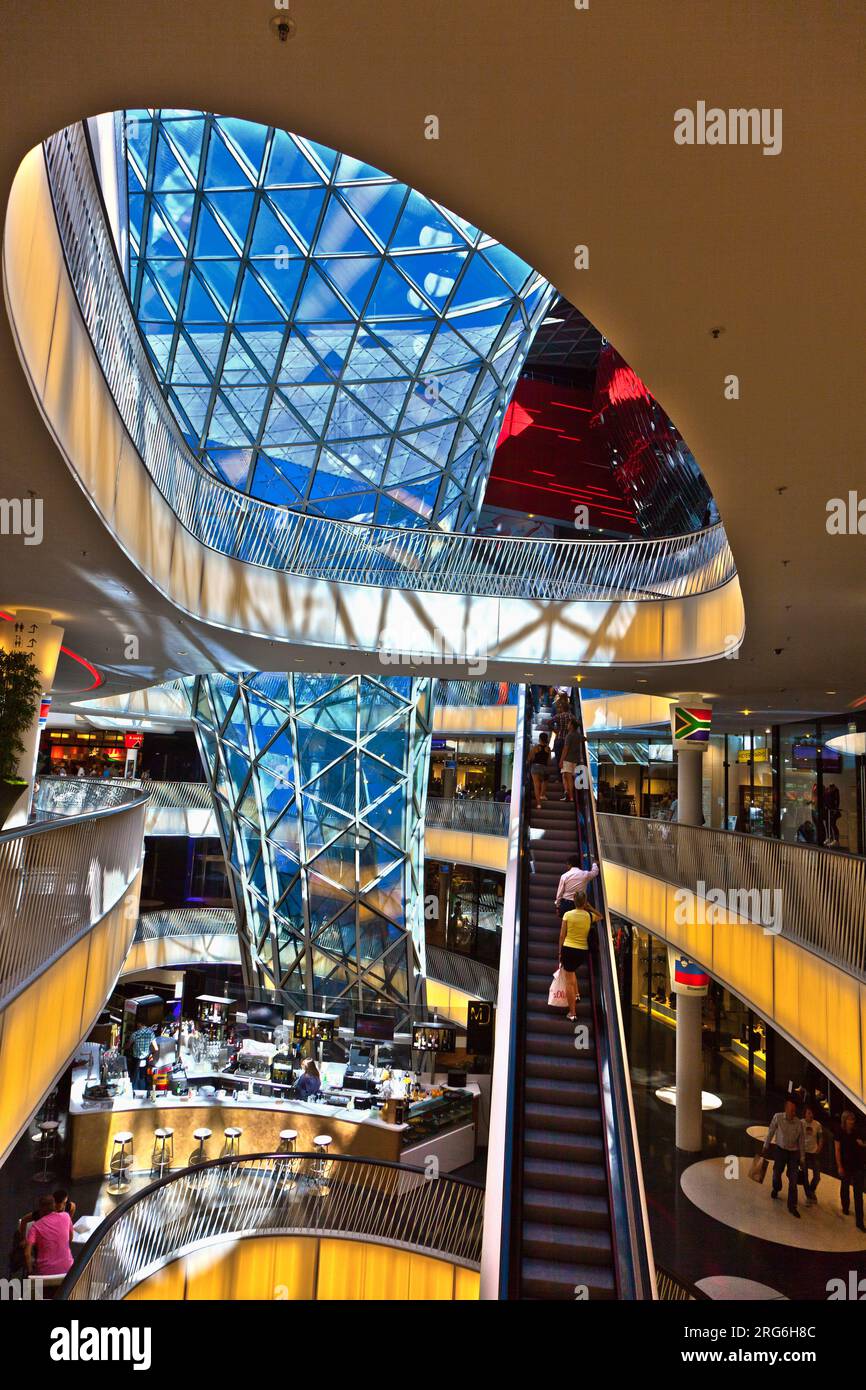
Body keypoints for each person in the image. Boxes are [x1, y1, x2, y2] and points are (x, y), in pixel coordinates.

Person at [558, 890, 600, 1023]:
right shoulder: (589, 915)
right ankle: (576, 994)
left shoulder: (567, 915)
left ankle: (572, 1013)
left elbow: (561, 935)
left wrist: (560, 952)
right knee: (571, 972)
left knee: (569, 981)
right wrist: (590, 907)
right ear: (585, 902)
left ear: (574, 901)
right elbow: (601, 916)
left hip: (568, 949)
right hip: (582, 951)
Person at [763, 1097, 805, 1218]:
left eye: (794, 1110)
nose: (793, 1113)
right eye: (791, 1110)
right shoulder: (778, 1117)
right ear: (786, 1109)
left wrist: (802, 1158)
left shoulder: (799, 1123)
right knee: (776, 1173)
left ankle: (792, 1206)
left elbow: (801, 1141)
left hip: (793, 1153)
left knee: (793, 1179)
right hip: (780, 1150)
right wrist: (765, 1145)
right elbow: (771, 1131)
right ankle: (776, 1188)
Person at [24, 1194, 73, 1279]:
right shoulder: (66, 1217)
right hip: (68, 1273)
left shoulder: (35, 1226)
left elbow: (27, 1254)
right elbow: (70, 1238)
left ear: (40, 1209)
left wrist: (30, 1271)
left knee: (30, 1285)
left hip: (44, 1275)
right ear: (54, 1205)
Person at [835, 1110, 866, 1231]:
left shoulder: (857, 1131)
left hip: (857, 1166)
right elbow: (837, 1150)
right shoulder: (839, 1132)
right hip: (846, 1165)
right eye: (849, 1120)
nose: (852, 1122)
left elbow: (864, 1143)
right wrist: (839, 1166)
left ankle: (859, 1221)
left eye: (853, 1120)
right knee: (845, 1187)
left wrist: (862, 1144)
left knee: (858, 1194)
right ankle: (845, 1206)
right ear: (844, 1120)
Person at [801, 1105, 824, 1205]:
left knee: (817, 1176)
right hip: (804, 1152)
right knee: (805, 1175)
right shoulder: (801, 1123)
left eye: (812, 1113)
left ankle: (811, 1190)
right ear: (805, 1114)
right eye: (809, 1113)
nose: (811, 1115)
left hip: (814, 1152)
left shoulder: (817, 1124)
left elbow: (821, 1137)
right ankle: (809, 1196)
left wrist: (819, 1147)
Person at [559, 718, 583, 802]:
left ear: (572, 726)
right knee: (565, 776)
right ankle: (567, 793)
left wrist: (561, 760)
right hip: (575, 760)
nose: (567, 725)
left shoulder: (569, 735)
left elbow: (565, 749)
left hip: (568, 759)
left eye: (569, 724)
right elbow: (584, 739)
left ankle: (571, 796)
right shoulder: (578, 735)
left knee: (568, 778)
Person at [529, 731, 551, 806]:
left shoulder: (535, 747)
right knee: (545, 780)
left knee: (536, 785)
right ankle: (542, 794)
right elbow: (549, 761)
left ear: (539, 739)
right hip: (544, 768)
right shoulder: (548, 748)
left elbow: (530, 758)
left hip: (535, 767)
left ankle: (538, 804)